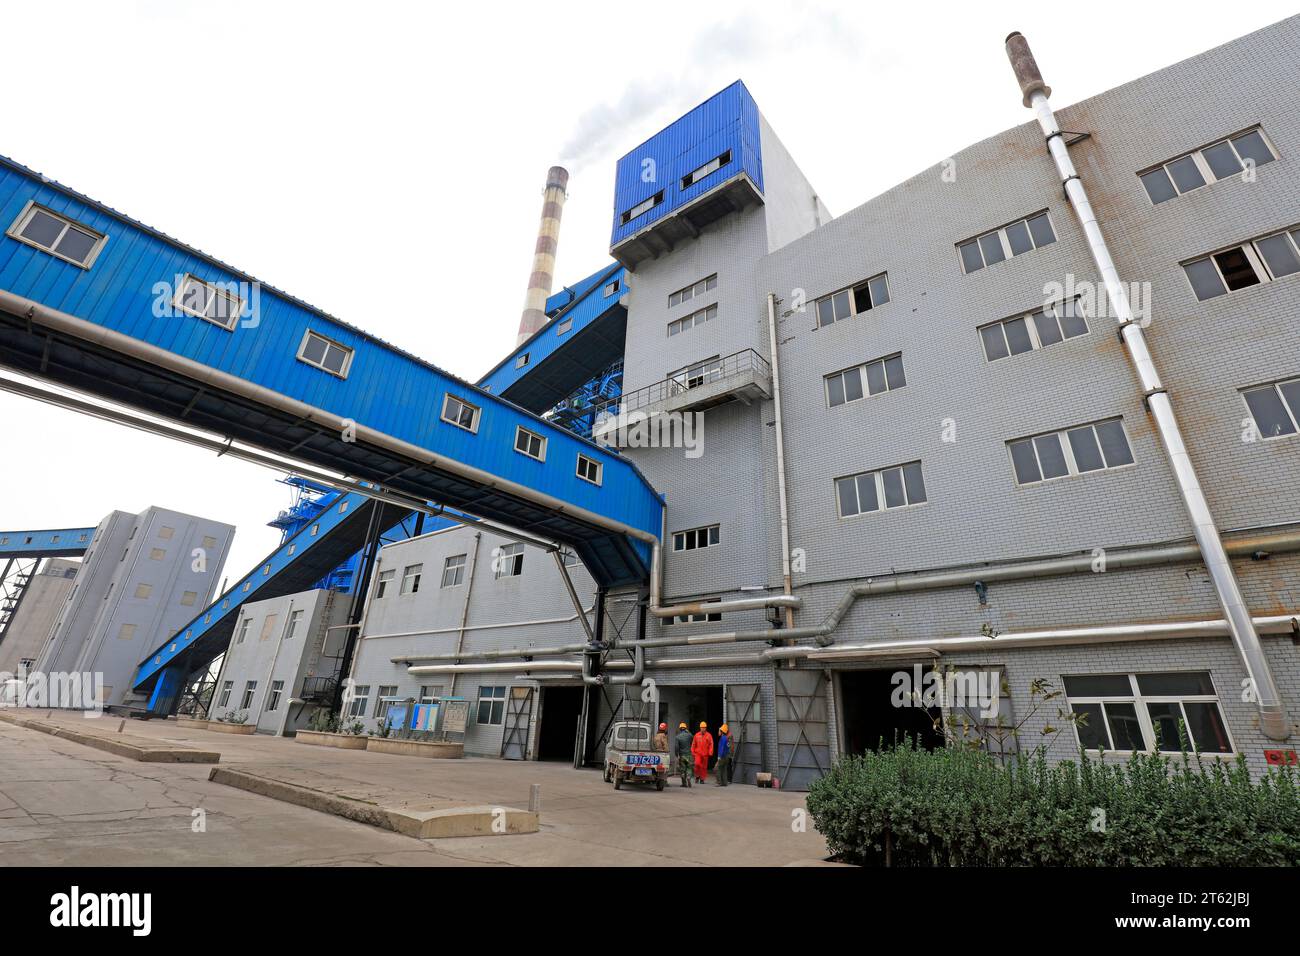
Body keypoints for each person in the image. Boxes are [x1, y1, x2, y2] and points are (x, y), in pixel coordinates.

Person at [673, 722, 693, 787]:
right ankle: (689, 777)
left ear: (680, 729)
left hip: (682, 755)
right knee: (689, 768)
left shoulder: (677, 737)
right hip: (689, 755)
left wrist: (677, 755)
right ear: (685, 728)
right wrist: (688, 732)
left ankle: (684, 783)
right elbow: (692, 739)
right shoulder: (689, 735)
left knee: (682, 769)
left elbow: (676, 747)